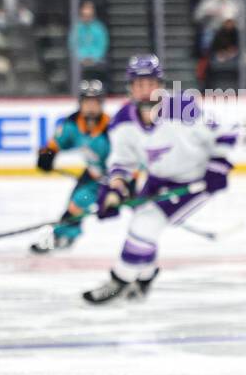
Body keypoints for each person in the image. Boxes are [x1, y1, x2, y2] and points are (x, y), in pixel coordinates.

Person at [83, 76, 234, 304]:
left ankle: (120, 281)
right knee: (141, 226)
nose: (145, 91)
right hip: (157, 179)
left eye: (151, 85)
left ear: (161, 87)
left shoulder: (183, 108)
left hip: (192, 182)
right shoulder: (122, 120)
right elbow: (123, 162)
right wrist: (114, 189)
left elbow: (226, 132)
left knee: (145, 225)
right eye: (139, 85)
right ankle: (144, 277)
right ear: (130, 89)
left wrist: (218, 165)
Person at [30, 79, 110, 254]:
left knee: (80, 201)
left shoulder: (111, 128)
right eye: (87, 102)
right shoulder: (73, 122)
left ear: (101, 104)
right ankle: (65, 235)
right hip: (93, 174)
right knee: (76, 202)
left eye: (95, 102)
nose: (90, 106)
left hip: (116, 177)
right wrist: (47, 155)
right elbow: (57, 142)